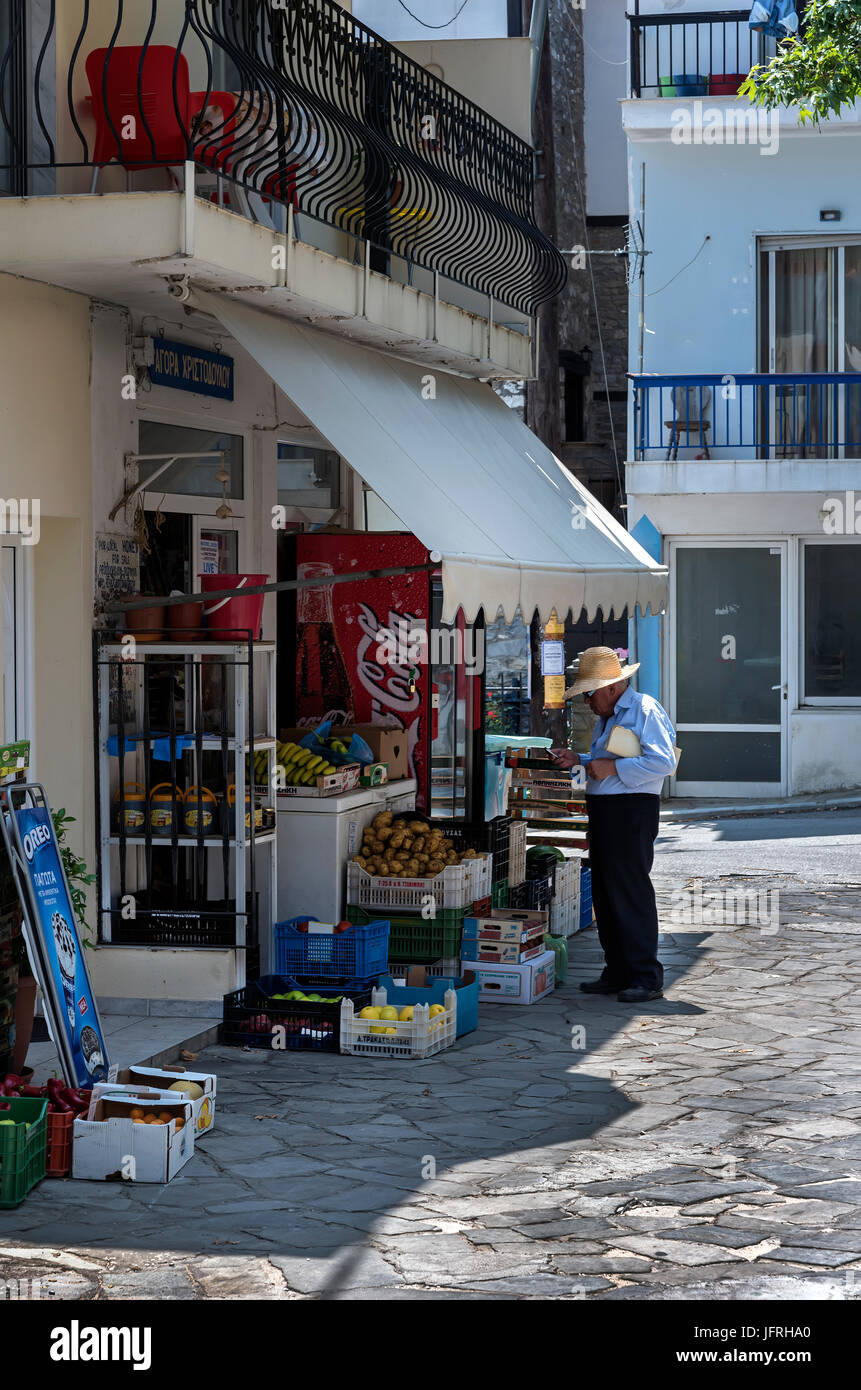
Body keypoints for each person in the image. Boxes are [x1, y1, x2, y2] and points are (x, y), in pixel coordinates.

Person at [549, 646, 677, 1003]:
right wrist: (583, 759)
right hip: (606, 808)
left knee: (630, 889)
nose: (588, 702)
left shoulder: (644, 709)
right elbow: (609, 761)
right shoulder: (609, 715)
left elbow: (663, 762)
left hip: (631, 809)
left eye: (589, 694)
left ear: (611, 687)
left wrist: (613, 769)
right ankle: (618, 970)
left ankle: (645, 975)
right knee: (606, 892)